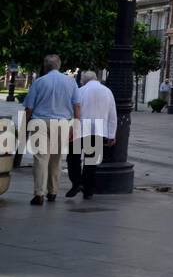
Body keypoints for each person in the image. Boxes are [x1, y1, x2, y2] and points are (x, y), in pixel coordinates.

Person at [24, 55, 80, 205]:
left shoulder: (39, 82)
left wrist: (25, 127)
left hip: (39, 122)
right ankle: (53, 192)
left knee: (41, 159)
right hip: (62, 123)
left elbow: (29, 108)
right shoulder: (71, 82)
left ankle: (39, 194)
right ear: (59, 65)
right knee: (56, 159)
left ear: (45, 66)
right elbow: (77, 106)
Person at [68, 69, 115, 200]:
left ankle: (77, 182)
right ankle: (88, 190)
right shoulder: (107, 92)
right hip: (99, 129)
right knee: (91, 161)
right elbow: (112, 114)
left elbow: (74, 110)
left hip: (81, 128)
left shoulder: (81, 91)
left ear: (84, 80)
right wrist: (112, 134)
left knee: (73, 158)